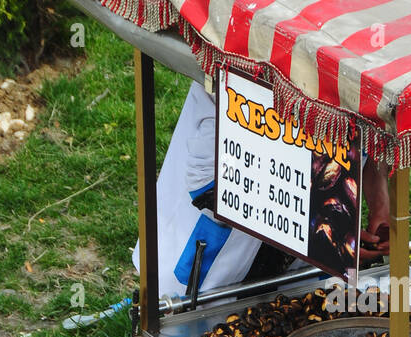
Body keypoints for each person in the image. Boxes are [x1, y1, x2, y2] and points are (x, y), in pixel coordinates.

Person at [135, 82, 390, 296]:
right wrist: (328, 228)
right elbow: (207, 182)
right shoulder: (251, 55)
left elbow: (369, 130)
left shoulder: (371, 54)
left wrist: (379, 202)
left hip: (299, 276)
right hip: (209, 270)